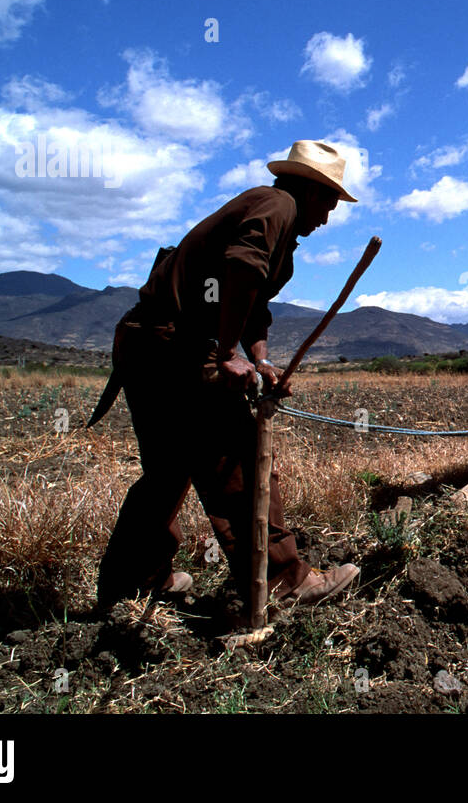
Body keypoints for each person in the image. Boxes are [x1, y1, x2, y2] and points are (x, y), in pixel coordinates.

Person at [91, 140, 360, 611]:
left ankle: (133, 582)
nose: (328, 216)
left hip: (149, 343)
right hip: (175, 345)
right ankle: (285, 579)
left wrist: (260, 359)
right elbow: (242, 267)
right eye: (329, 202)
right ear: (309, 189)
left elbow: (254, 302)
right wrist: (225, 352)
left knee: (168, 469)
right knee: (236, 457)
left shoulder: (274, 220)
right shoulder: (278, 204)